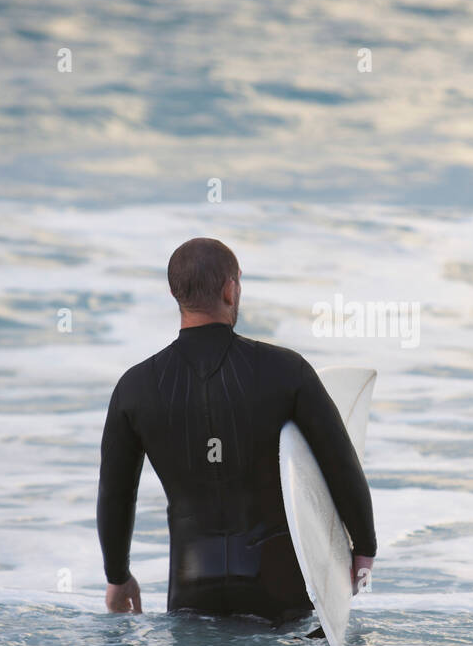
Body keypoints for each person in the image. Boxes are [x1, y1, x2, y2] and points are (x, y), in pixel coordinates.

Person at [97, 237, 376, 622]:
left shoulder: (134, 387)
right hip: (277, 589)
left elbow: (115, 493)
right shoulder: (286, 371)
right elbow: (339, 464)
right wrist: (363, 549)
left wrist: (118, 577)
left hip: (192, 588)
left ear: (175, 293)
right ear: (231, 289)